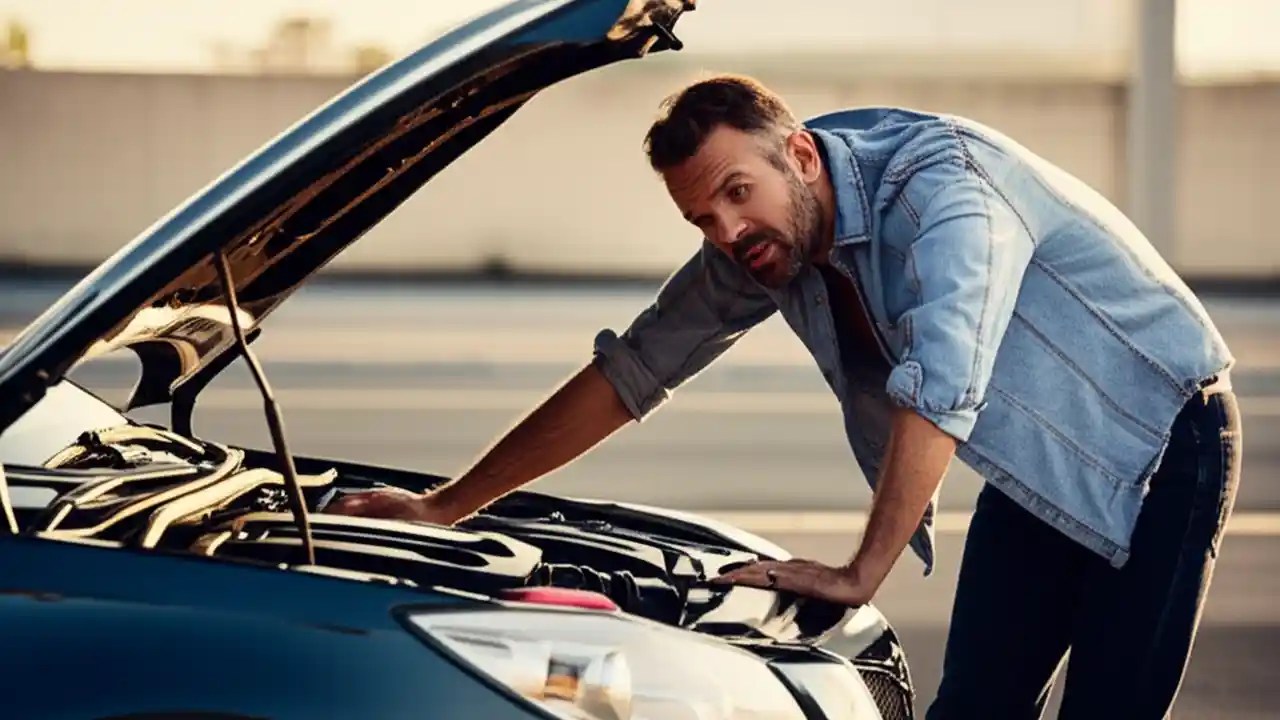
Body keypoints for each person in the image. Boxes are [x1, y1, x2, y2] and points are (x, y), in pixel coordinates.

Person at [326, 74, 1241, 718]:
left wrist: (858, 572)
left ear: (800, 155)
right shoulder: (768, 235)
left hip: (1164, 435)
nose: (726, 231)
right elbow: (634, 368)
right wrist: (447, 506)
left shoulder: (945, 192)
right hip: (1038, 458)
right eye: (700, 217)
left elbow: (946, 379)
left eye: (735, 194)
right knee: (974, 707)